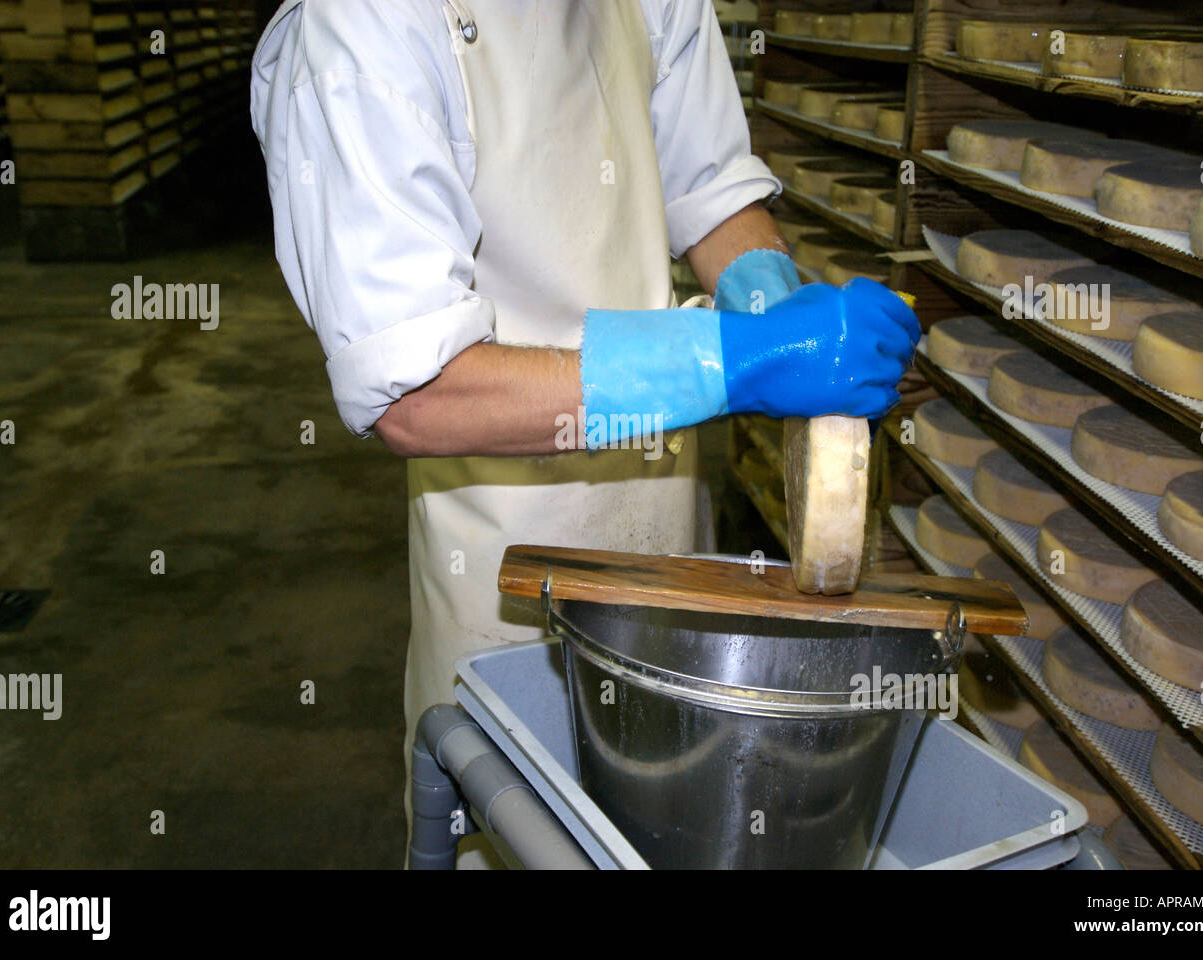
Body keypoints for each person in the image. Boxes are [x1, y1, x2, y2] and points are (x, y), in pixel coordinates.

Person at [250, 0, 918, 865]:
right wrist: (729, 361)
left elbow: (707, 187)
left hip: (668, 532)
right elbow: (418, 393)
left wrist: (768, 299)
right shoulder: (363, 25)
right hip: (502, 577)